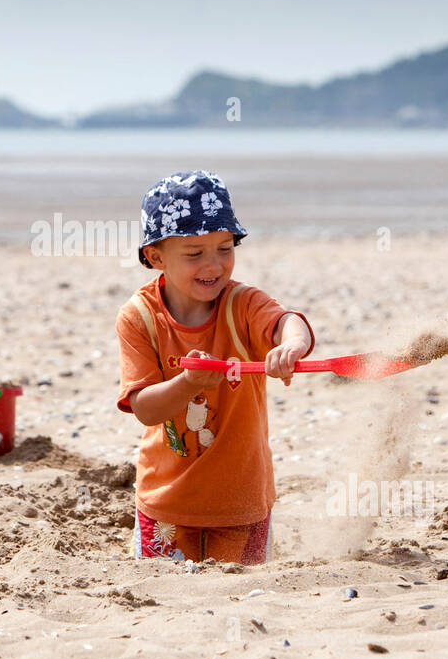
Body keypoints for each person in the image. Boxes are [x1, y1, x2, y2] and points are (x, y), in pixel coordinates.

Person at [116, 171, 314, 564]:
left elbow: (287, 321)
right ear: (156, 257)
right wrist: (188, 384)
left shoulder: (242, 305)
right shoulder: (139, 317)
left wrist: (292, 345)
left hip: (241, 502)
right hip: (165, 502)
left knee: (241, 597)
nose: (214, 264)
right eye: (194, 253)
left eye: (225, 248)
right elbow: (145, 408)